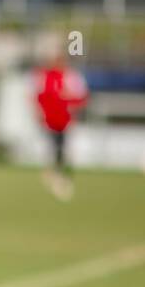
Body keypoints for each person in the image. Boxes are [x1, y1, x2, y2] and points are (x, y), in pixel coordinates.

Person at [35, 53, 89, 201]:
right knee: (53, 146)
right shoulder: (47, 76)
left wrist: (70, 102)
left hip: (66, 119)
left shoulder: (71, 77)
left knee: (63, 147)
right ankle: (54, 172)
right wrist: (40, 112)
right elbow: (40, 96)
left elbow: (81, 96)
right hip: (51, 118)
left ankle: (59, 173)